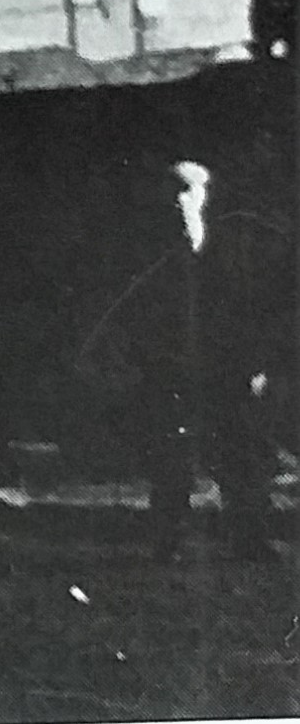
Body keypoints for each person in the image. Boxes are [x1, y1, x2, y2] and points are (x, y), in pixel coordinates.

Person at [141, 159, 285, 558]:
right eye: (175, 191)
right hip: (175, 369)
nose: (180, 200)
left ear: (205, 197)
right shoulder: (156, 252)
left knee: (244, 454)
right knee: (172, 456)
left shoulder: (233, 245)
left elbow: (249, 308)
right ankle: (168, 540)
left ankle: (249, 538)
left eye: (190, 190)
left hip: (228, 366)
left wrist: (254, 364)